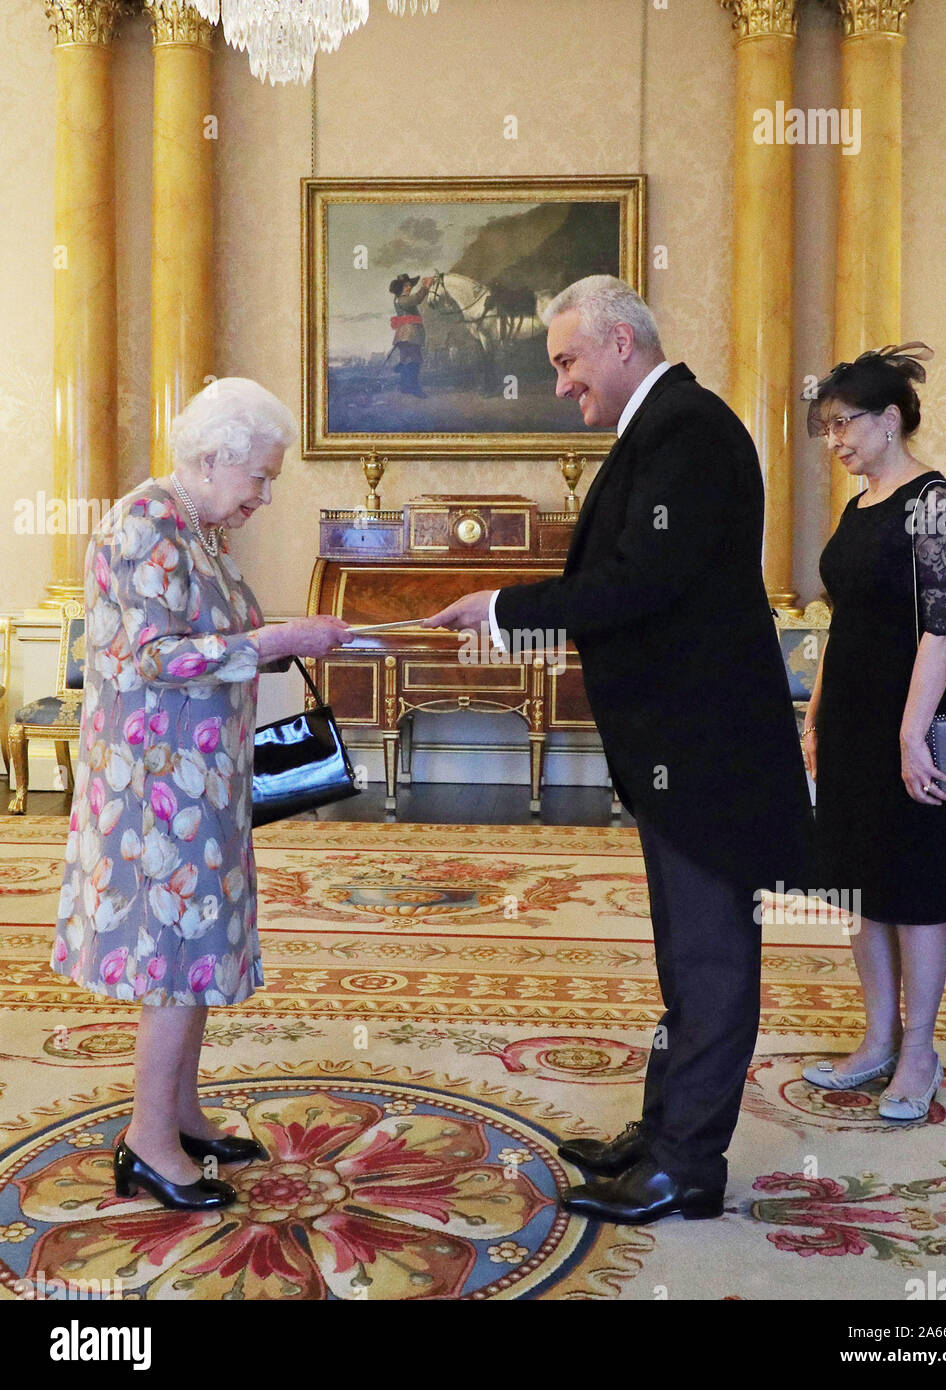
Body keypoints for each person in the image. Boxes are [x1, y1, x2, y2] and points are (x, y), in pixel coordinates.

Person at [423, 275, 813, 1224]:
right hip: (682, 749)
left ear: (621, 343)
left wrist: (508, 609)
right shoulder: (666, 425)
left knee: (711, 955)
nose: (559, 385)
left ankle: (688, 1167)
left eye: (565, 362)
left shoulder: (684, 429)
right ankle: (663, 1130)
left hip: (707, 753)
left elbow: (642, 579)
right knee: (684, 955)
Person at [51, 378, 353, 1210]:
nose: (264, 493)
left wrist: (281, 639)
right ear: (215, 457)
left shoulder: (197, 529)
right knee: (175, 957)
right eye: (260, 475)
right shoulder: (147, 523)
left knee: (199, 945)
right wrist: (276, 639)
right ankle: (147, 1142)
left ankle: (180, 1113)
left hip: (198, 782)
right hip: (156, 786)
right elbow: (154, 656)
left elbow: (214, 640)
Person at [801, 344, 946, 1120]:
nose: (834, 441)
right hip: (850, 718)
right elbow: (843, 622)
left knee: (914, 892)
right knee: (862, 889)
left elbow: (939, 631)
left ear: (889, 419)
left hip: (915, 714)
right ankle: (874, 1040)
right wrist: (815, 710)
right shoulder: (859, 502)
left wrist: (910, 736)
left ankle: (918, 1051)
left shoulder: (934, 501)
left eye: (843, 424)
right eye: (827, 428)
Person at [388, 272, 435, 396]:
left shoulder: (400, 300)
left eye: (410, 285)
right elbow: (418, 298)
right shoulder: (402, 300)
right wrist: (426, 286)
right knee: (415, 360)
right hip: (409, 334)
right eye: (406, 286)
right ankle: (414, 389)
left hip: (406, 334)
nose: (409, 288)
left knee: (406, 359)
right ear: (400, 288)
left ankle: (405, 387)